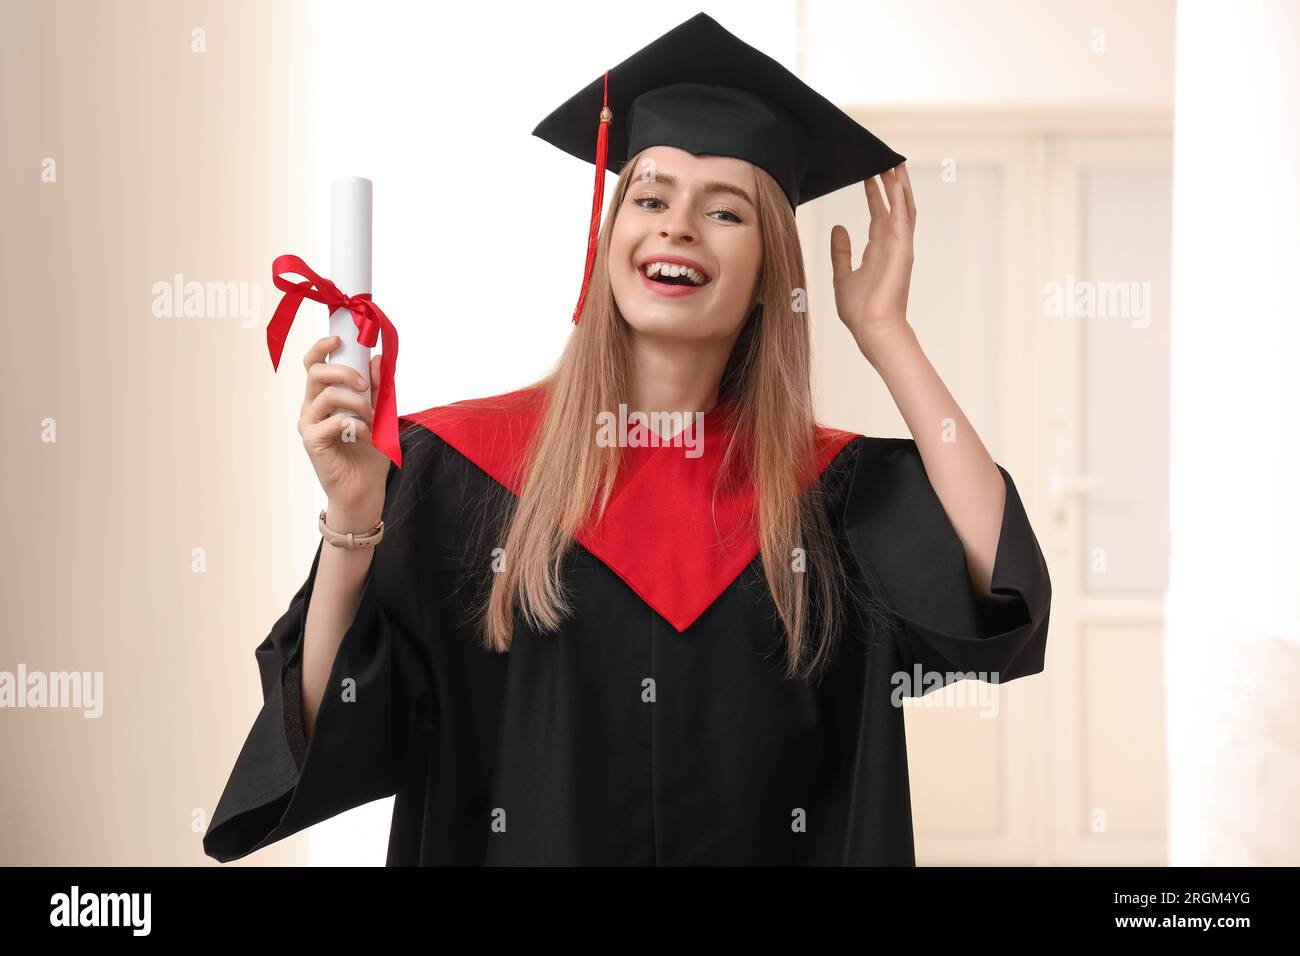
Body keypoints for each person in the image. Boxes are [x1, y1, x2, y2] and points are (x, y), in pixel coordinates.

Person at [203, 11, 1050, 866]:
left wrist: (884, 331)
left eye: (726, 212)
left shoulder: (827, 498)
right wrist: (353, 519)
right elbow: (331, 723)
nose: (677, 225)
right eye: (649, 197)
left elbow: (1000, 590)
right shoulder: (459, 472)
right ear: (608, 242)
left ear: (769, 278)